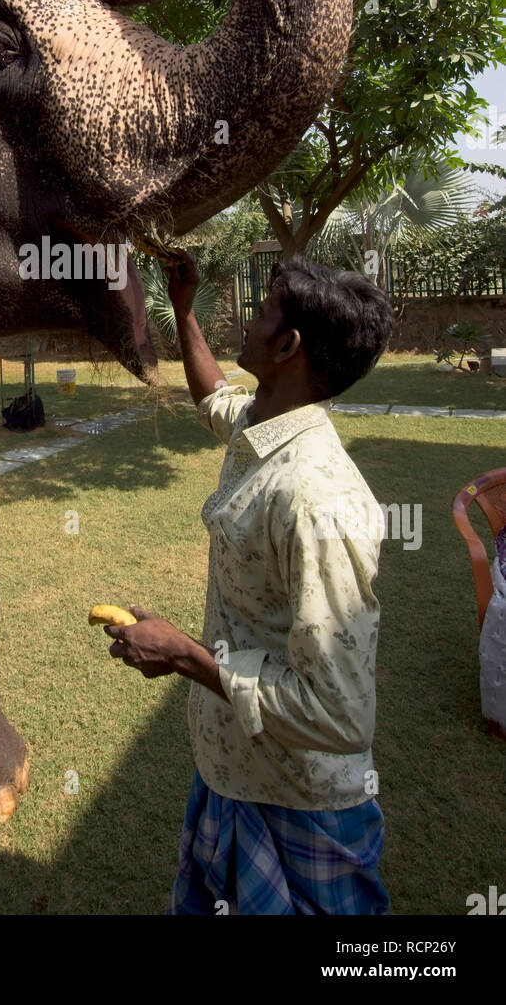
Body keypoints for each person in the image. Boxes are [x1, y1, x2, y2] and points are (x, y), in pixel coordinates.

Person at [103, 250, 395, 915]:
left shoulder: (315, 497)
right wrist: (183, 308)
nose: (247, 316)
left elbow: (340, 714)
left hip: (298, 803)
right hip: (233, 771)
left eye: (262, 310)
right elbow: (213, 396)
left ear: (288, 345)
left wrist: (184, 656)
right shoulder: (264, 425)